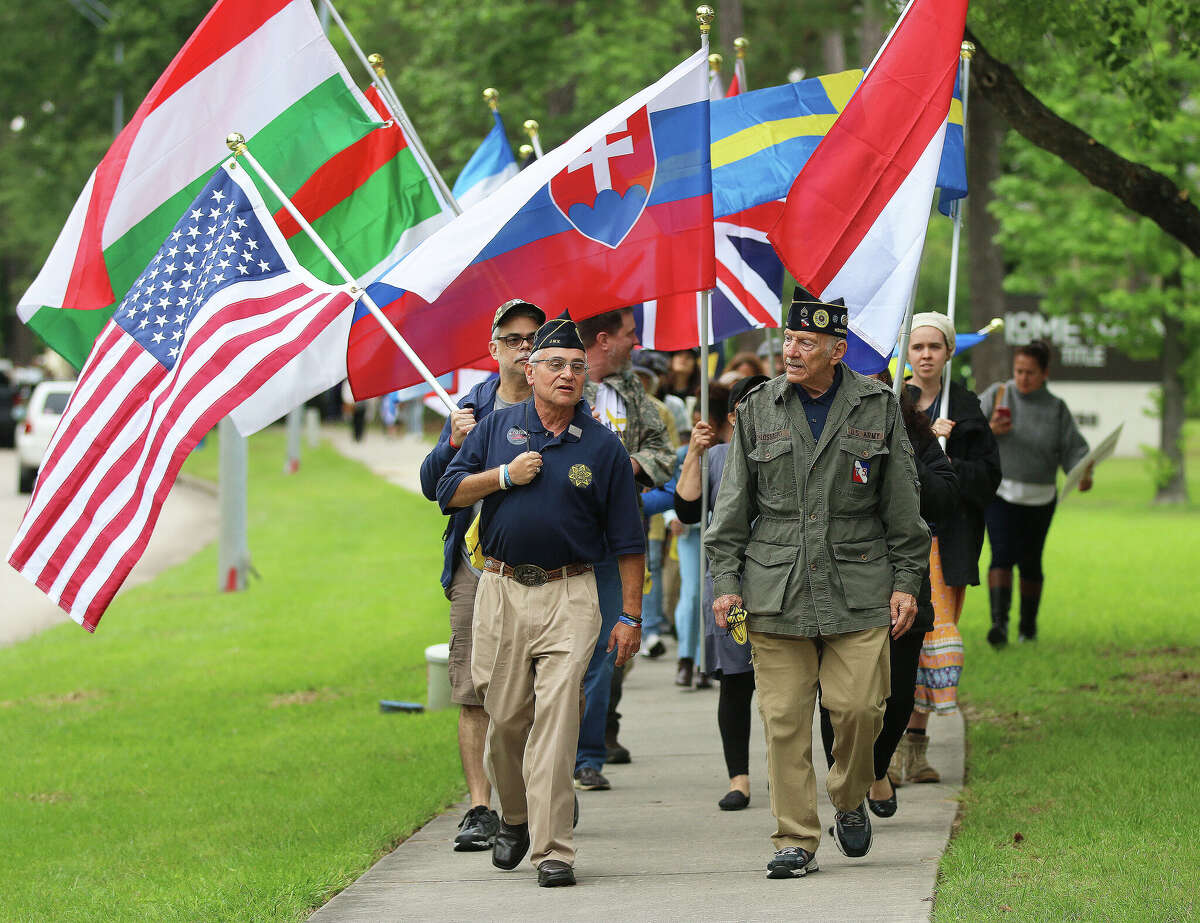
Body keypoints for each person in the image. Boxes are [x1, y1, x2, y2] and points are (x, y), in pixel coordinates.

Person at [706, 287, 929, 878]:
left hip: (859, 585)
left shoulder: (877, 408)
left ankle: (850, 797)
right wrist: (725, 581)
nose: (792, 350)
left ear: (837, 349)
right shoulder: (758, 407)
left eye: (806, 342)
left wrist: (907, 581)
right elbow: (731, 508)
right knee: (783, 720)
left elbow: (903, 507)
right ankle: (795, 838)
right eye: (789, 339)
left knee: (858, 708)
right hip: (775, 589)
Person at [436, 318, 646, 888]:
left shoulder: (602, 447)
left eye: (577, 366)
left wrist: (630, 615)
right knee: (505, 721)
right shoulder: (496, 427)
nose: (567, 375)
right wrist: (503, 477)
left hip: (571, 593)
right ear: (529, 372)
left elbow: (629, 542)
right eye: (555, 364)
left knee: (557, 720)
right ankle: (515, 816)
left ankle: (554, 850)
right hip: (501, 589)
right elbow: (447, 491)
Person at [419, 298, 545, 851]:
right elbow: (433, 486)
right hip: (476, 564)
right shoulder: (470, 408)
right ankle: (479, 807)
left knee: (538, 691)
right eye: (513, 339)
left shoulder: (557, 403)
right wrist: (453, 440)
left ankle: (539, 793)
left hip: (542, 569)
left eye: (532, 338)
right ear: (493, 348)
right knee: (473, 690)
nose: (524, 348)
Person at [818, 372, 958, 818]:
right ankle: (848, 798)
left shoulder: (914, 433)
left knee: (895, 697)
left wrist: (900, 458)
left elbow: (944, 497)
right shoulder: (820, 428)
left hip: (902, 581)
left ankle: (876, 769)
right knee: (840, 701)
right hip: (840, 583)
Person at [894, 313, 1002, 785]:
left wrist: (948, 455)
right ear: (907, 352)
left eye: (934, 347)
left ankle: (915, 748)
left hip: (948, 544)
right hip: (899, 544)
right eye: (918, 347)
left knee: (934, 640)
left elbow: (988, 478)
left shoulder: (967, 409)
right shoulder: (891, 401)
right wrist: (923, 441)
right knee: (899, 640)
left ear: (949, 352)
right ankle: (890, 746)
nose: (925, 355)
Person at [575, 309, 675, 789]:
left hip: (619, 540)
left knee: (607, 650)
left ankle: (589, 755)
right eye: (630, 335)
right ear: (604, 339)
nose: (636, 343)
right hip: (565, 540)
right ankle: (556, 753)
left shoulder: (632, 391)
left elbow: (663, 453)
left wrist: (626, 466)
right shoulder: (563, 385)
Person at [674, 374, 769, 810]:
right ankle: (739, 778)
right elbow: (686, 509)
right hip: (731, 587)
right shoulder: (715, 457)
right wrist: (695, 452)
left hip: (784, 585)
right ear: (731, 416)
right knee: (736, 680)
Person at [979, 339, 1092, 645]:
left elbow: (1074, 451)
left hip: (1041, 498)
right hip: (1000, 493)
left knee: (1030, 561)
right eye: (1018, 371)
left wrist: (1083, 474)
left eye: (1030, 372)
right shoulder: (998, 394)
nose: (1023, 378)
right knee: (1001, 555)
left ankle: (1028, 629)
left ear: (1044, 374)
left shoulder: (1056, 408)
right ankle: (999, 625)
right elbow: (966, 430)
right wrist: (991, 429)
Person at [667, 385, 731, 689]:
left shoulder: (730, 453)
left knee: (713, 595)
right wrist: (671, 517)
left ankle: (707, 659)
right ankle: (685, 658)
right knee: (693, 594)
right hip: (691, 535)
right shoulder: (686, 452)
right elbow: (671, 491)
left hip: (721, 536)